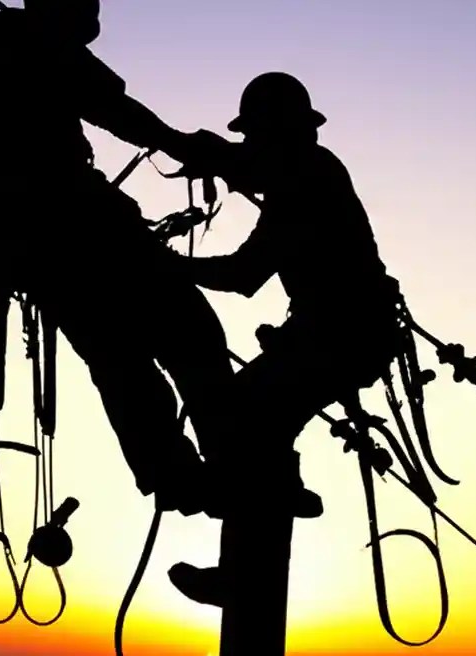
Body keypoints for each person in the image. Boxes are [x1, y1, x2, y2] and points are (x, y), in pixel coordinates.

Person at [0, 1, 321, 519]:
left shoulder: (13, 40)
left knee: (121, 356)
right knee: (184, 329)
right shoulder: (24, 34)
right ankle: (224, 467)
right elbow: (110, 105)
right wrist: (179, 144)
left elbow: (99, 97)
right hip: (63, 221)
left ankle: (187, 477)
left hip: (32, 238)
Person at [165, 72, 402, 605]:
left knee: (242, 412)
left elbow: (246, 275)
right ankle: (275, 502)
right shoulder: (311, 169)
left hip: (342, 333)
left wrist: (174, 268)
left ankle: (244, 566)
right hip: (345, 330)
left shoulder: (301, 182)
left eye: (255, 136)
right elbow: (246, 166)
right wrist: (212, 154)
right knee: (252, 415)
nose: (250, 146)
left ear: (274, 135)